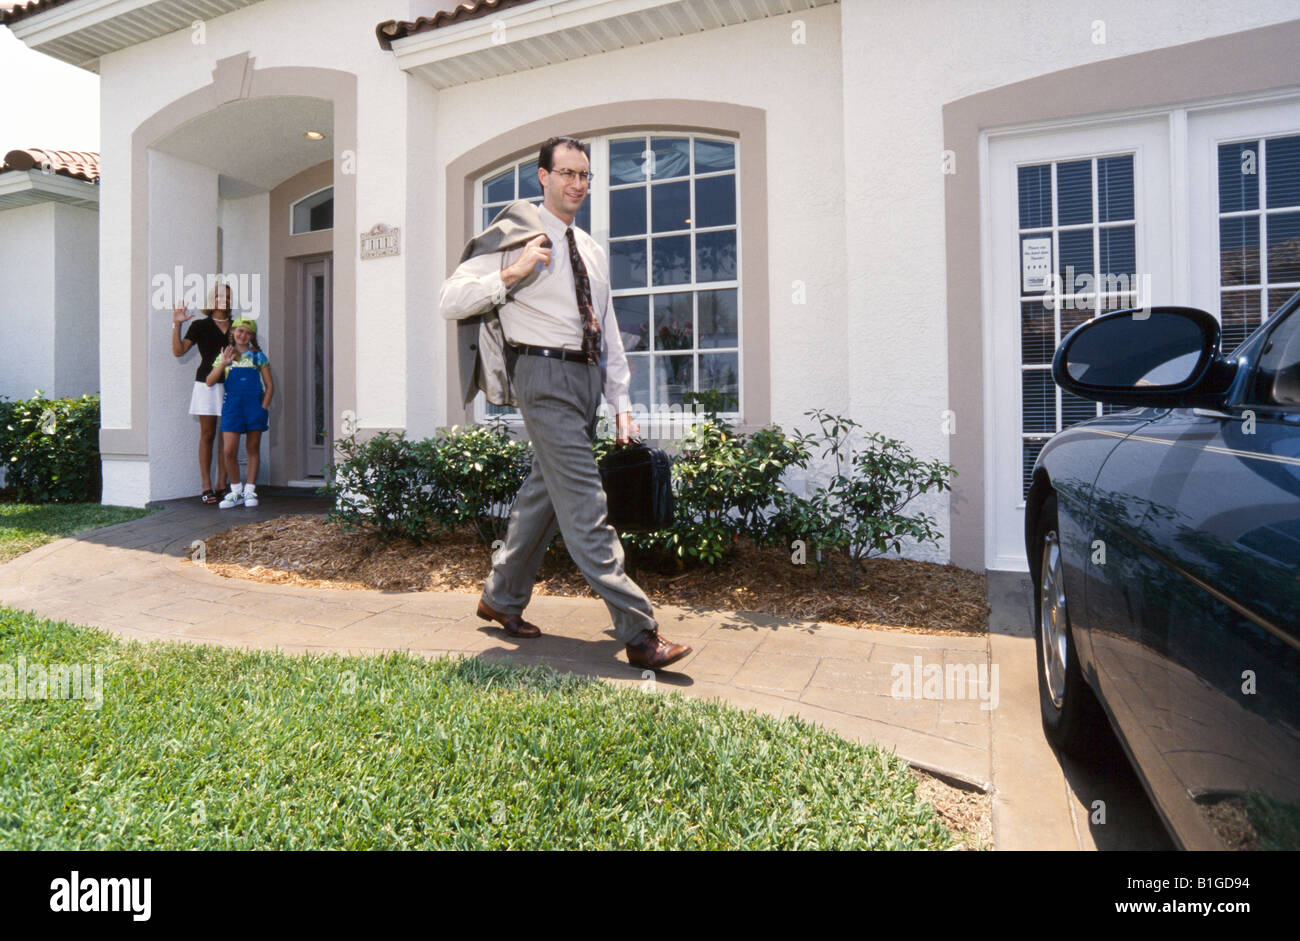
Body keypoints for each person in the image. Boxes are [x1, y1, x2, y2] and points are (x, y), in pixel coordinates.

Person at [439, 136, 691, 672]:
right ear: (543, 178)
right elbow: (450, 300)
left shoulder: (592, 250)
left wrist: (621, 402)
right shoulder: (513, 235)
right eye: (567, 174)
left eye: (585, 175)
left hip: (586, 380)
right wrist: (511, 272)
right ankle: (640, 631)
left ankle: (501, 597)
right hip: (542, 374)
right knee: (584, 504)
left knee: (545, 495)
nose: (577, 184)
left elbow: (610, 330)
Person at [173, 283, 232, 503]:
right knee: (208, 435)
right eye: (220, 297)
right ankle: (206, 486)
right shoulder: (199, 325)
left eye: (228, 297)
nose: (224, 300)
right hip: (206, 384)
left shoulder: (238, 327)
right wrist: (176, 324)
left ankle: (222, 484)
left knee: (229, 436)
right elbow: (179, 351)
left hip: (232, 385)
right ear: (212, 300)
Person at [205, 318, 273, 509]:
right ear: (233, 332)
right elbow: (210, 381)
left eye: (248, 333)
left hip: (254, 408)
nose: (243, 336)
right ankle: (235, 492)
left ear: (252, 336)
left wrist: (263, 407)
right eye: (240, 331)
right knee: (229, 450)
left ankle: (250, 490)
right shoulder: (225, 355)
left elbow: (269, 385)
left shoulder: (258, 357)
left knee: (252, 448)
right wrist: (223, 363)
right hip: (232, 408)